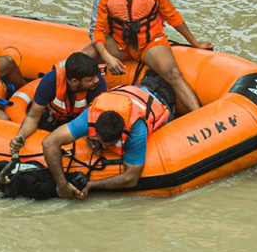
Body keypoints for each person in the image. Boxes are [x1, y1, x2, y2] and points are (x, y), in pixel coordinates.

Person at [87, 0, 211, 114]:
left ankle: (200, 115)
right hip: (118, 43)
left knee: (173, 73)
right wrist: (107, 57)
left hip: (149, 42)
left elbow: (172, 16)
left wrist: (195, 43)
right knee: (84, 57)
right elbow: (95, 30)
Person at [35, 82, 172, 200]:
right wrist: (62, 184)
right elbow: (49, 143)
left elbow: (131, 178)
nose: (105, 147)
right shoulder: (90, 115)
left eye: (109, 145)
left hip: (160, 98)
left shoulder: (136, 129)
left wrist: (92, 185)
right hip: (133, 90)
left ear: (120, 137)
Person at [6, 52, 107, 156]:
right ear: (74, 82)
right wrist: (21, 136)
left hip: (80, 123)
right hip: (55, 121)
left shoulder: (99, 85)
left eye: (95, 76)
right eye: (90, 80)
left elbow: (97, 117)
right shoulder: (50, 82)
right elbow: (33, 116)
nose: (96, 80)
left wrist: (89, 133)